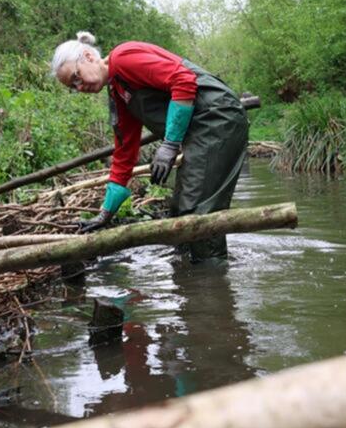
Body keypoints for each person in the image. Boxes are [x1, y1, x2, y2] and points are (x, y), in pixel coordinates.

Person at [50, 32, 249, 261]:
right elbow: (124, 151)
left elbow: (183, 80)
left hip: (218, 118)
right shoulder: (118, 91)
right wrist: (105, 212)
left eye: (76, 77)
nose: (79, 87)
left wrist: (170, 144)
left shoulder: (123, 58)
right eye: (73, 87)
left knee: (197, 210)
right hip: (202, 130)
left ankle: (211, 275)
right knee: (179, 212)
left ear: (88, 56)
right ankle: (189, 272)